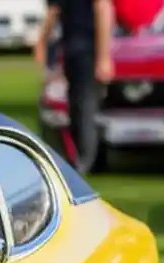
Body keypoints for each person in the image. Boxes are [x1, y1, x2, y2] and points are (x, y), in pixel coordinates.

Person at [35, 0, 115, 173]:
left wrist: (103, 56)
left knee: (84, 107)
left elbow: (103, 9)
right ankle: (83, 158)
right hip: (74, 47)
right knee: (78, 108)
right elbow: (54, 11)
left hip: (86, 48)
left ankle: (84, 161)